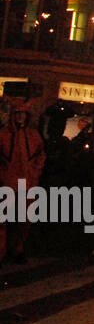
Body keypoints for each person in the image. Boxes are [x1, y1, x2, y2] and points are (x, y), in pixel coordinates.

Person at [0, 98, 45, 263]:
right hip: (7, 182)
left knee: (24, 220)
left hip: (27, 183)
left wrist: (35, 173)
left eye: (23, 114)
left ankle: (17, 250)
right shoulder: (4, 134)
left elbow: (40, 156)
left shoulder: (33, 135)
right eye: (18, 114)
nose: (20, 117)